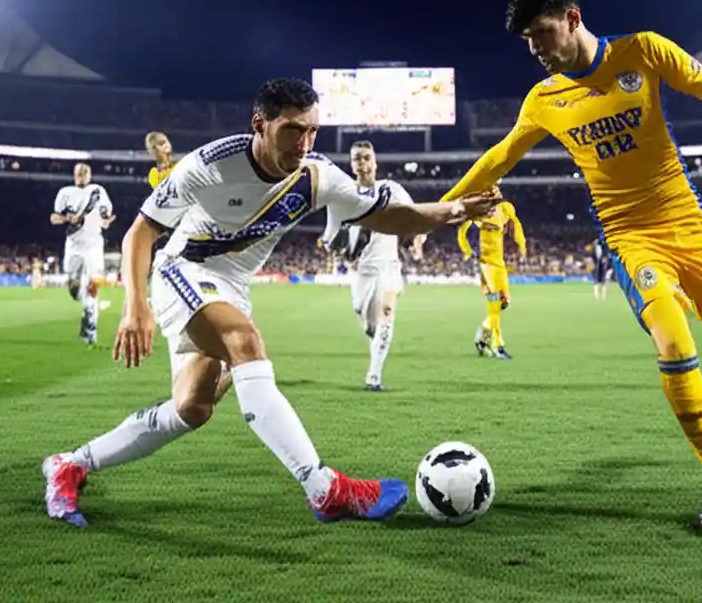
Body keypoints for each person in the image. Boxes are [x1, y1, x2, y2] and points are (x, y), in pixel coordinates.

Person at [439, 0, 702, 536]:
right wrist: (438, 209)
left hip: (691, 226)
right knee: (672, 341)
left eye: (541, 34)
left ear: (572, 18)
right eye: (527, 41)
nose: (536, 50)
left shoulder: (642, 52)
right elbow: (499, 158)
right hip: (628, 236)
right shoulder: (544, 101)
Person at [42, 78, 500, 527]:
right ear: (259, 124)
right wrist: (134, 305)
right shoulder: (211, 165)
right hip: (182, 271)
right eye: (292, 131)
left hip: (232, 287)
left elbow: (388, 216)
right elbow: (140, 232)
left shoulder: (316, 176)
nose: (304, 143)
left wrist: (456, 209)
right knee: (245, 341)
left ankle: (71, 464)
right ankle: (324, 488)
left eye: (312, 131)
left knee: (191, 409)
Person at [319, 140, 420, 391]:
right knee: (371, 327)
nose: (362, 163)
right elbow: (331, 240)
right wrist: (337, 247)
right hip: (361, 273)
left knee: (387, 312)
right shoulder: (343, 197)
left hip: (388, 266)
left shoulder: (391, 190)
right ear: (351, 164)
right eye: (357, 159)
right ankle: (373, 336)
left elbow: (416, 216)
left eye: (366, 158)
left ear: (375, 162)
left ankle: (373, 376)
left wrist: (418, 239)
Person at [50, 163, 116, 345]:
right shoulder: (65, 193)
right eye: (79, 172)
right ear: (74, 174)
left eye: (85, 172)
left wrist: (105, 218)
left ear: (90, 174)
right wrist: (67, 219)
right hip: (74, 244)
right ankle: (85, 303)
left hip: (94, 244)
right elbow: (54, 218)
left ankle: (90, 330)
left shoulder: (98, 191)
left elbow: (105, 211)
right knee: (73, 286)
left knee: (93, 286)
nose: (82, 175)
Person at [456, 194, 527, 359]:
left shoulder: (505, 209)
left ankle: (482, 335)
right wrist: (467, 251)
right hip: (486, 265)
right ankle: (498, 346)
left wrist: (521, 244)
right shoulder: (479, 213)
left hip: (499, 265)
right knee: (494, 307)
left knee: (504, 303)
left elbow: (516, 224)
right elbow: (463, 229)